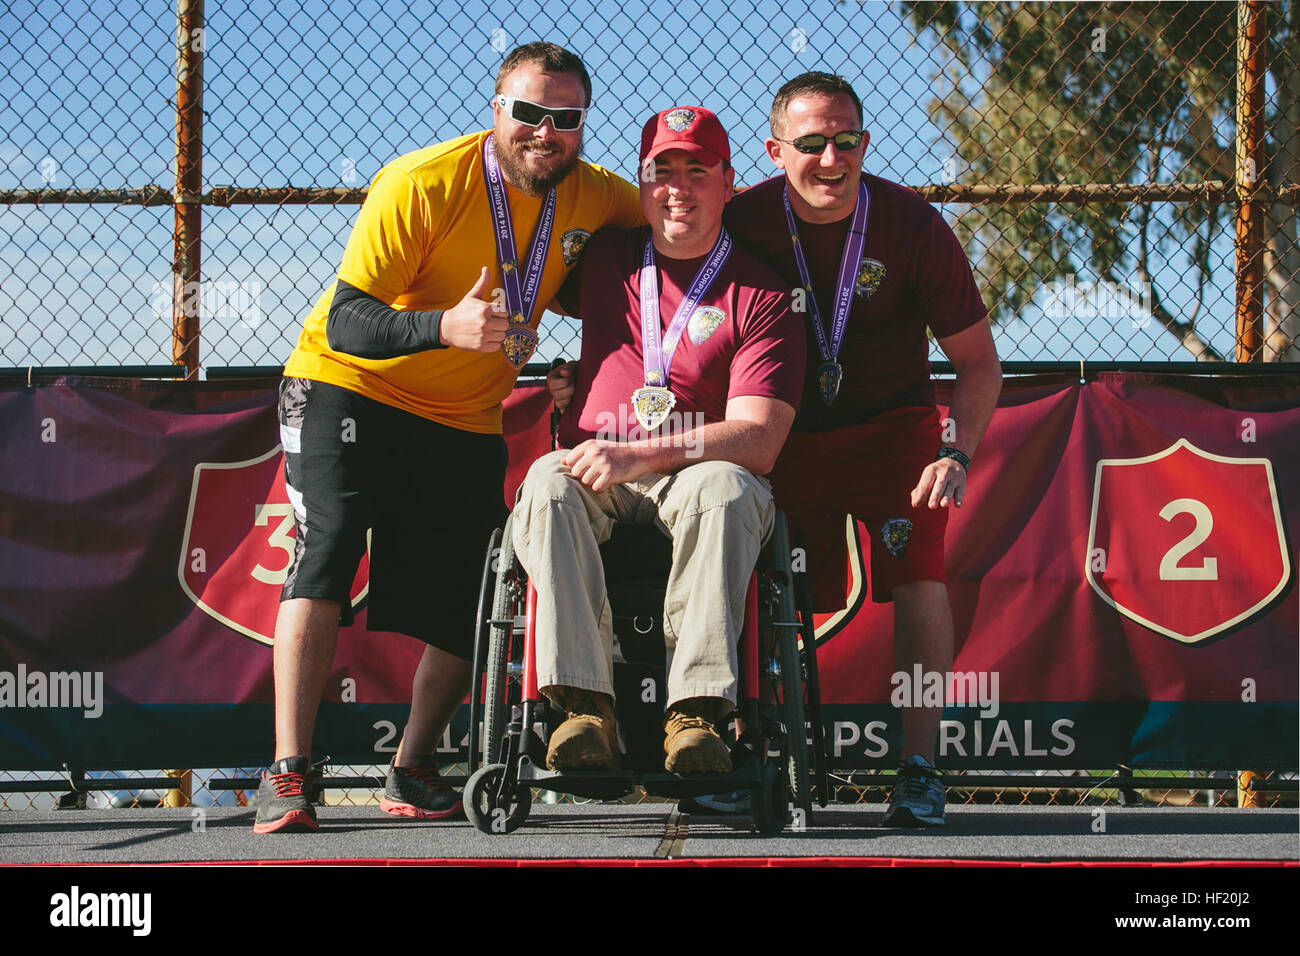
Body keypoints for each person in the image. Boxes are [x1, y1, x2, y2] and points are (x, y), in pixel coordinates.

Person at [254, 42, 643, 833]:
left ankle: (412, 766)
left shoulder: (601, 196)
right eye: (530, 112)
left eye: (566, 119)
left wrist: (599, 369)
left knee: (472, 590)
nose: (547, 132)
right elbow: (349, 318)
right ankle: (289, 773)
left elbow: (667, 258)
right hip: (348, 385)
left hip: (464, 415)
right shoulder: (420, 181)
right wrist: (443, 325)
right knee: (327, 546)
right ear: (496, 111)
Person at [724, 72, 1003, 826]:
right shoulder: (739, 219)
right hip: (781, 431)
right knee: (754, 577)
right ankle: (753, 751)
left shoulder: (912, 225)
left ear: (865, 143)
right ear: (776, 150)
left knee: (920, 577)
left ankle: (919, 767)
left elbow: (979, 362)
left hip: (894, 433)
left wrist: (957, 453)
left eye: (847, 139)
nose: (831, 158)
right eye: (811, 142)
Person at [512, 106, 805, 773]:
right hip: (597, 465)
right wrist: (573, 383)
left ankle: (697, 716)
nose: (677, 187)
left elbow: (759, 441)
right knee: (548, 482)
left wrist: (640, 452)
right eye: (660, 171)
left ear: (728, 182)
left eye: (696, 171)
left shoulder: (762, 293)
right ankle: (583, 711)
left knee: (726, 486)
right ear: (641, 187)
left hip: (692, 474)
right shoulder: (602, 258)